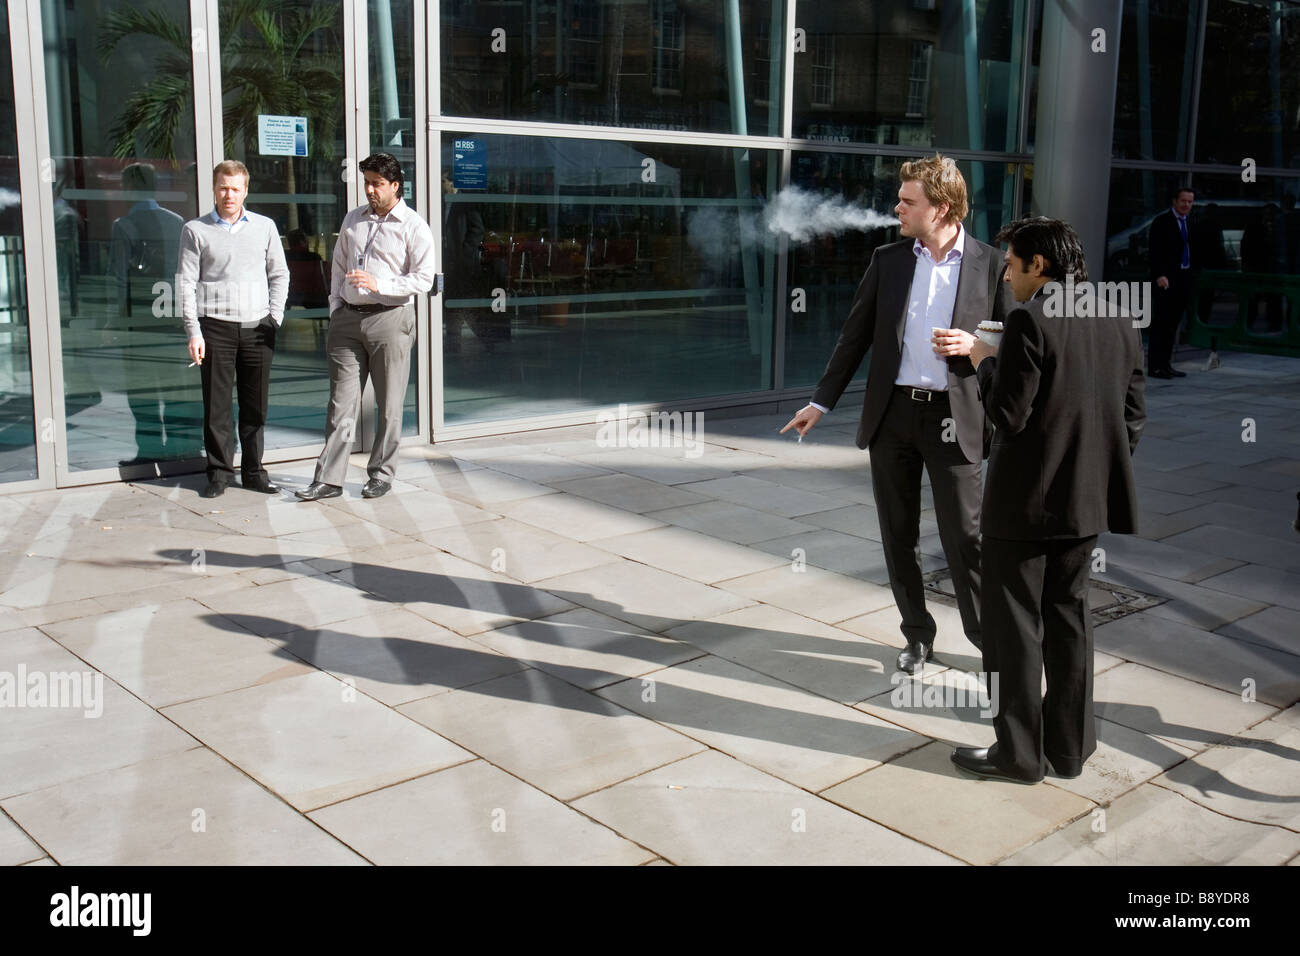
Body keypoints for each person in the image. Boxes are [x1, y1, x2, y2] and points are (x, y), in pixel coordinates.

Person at [781, 155, 1009, 673]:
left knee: (966, 540)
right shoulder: (888, 260)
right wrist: (821, 401)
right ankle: (917, 635)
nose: (896, 208)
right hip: (893, 417)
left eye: (908, 201)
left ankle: (988, 644)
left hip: (957, 420)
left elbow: (1014, 340)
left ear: (942, 207)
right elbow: (855, 336)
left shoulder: (992, 263)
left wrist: (976, 344)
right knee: (898, 535)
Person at [952, 217, 1146, 783]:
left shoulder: (1028, 320)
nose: (1008, 274)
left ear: (1040, 265)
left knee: (1014, 630)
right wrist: (1095, 468)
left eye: (1013, 264)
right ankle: (1068, 751)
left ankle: (1018, 756)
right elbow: (1133, 417)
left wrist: (983, 358)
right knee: (1070, 621)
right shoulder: (1117, 315)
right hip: (1088, 504)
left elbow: (1007, 415)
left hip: (1023, 508)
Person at [296, 153, 435, 501]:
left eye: (377, 184)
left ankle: (381, 474)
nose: (370, 190)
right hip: (347, 321)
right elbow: (338, 266)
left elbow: (423, 278)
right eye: (367, 183)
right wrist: (336, 307)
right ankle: (328, 479)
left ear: (395, 186)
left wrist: (379, 285)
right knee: (341, 404)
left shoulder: (414, 226)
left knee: (388, 405)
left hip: (391, 319)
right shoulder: (353, 220)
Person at [178, 160, 288, 498]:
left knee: (256, 406)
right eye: (224, 187)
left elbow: (279, 274)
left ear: (246, 191)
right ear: (214, 188)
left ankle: (254, 472)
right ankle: (220, 473)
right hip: (215, 329)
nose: (229, 194)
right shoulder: (195, 230)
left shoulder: (265, 226)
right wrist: (193, 331)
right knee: (217, 407)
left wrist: (275, 317)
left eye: (236, 188)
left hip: (258, 328)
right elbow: (185, 283)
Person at [110, 163, 185, 465]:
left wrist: (116, 319)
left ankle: (150, 449)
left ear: (129, 188)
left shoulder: (123, 226)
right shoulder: (177, 221)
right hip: (173, 316)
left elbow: (118, 279)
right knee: (175, 387)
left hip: (140, 320)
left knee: (142, 391)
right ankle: (181, 447)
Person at [1147, 186, 1195, 379]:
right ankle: (1155, 366)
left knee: (1173, 324)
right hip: (1164, 280)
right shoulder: (1162, 222)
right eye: (1183, 201)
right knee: (1161, 324)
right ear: (1174, 201)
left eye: (1190, 202)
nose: (1187, 205)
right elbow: (1155, 251)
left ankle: (1166, 365)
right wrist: (1159, 274)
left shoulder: (1189, 222)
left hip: (1182, 279)